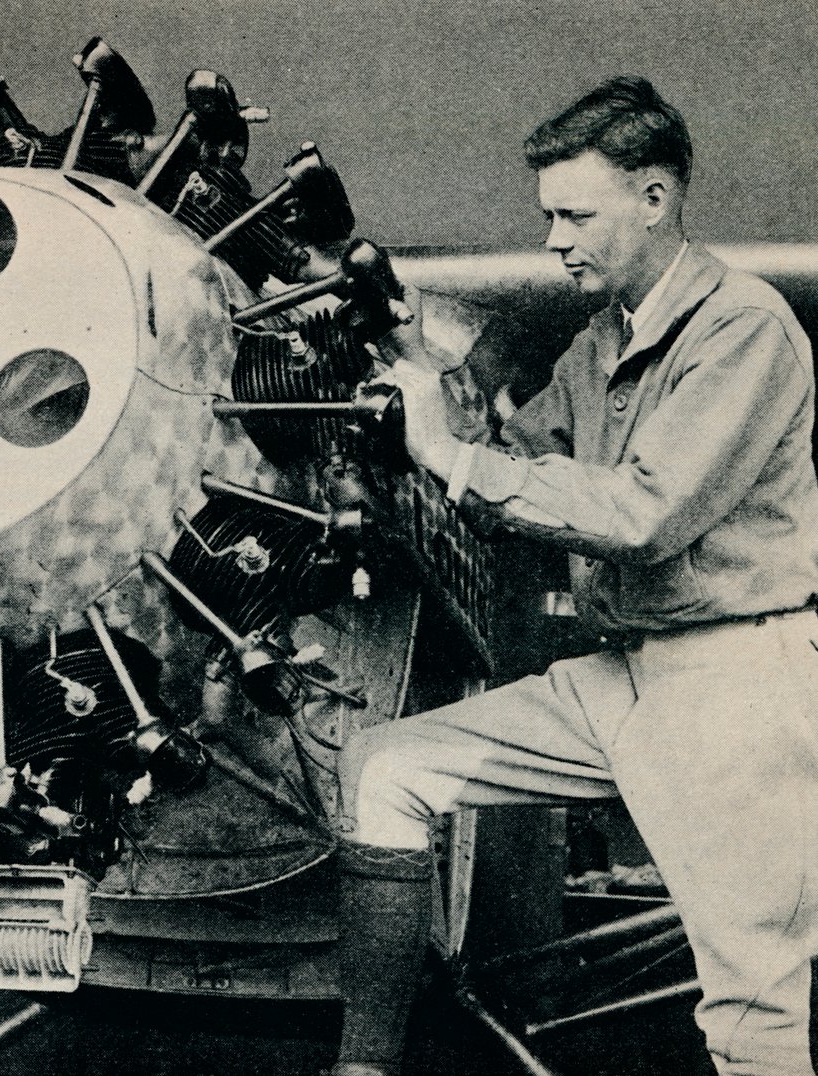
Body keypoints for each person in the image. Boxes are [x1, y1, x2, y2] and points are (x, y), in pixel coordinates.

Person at [330, 76, 818, 1076]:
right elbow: (511, 451)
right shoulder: (604, 340)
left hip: (735, 687)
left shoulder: (744, 328)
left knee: (754, 1020)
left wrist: (458, 455)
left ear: (655, 199)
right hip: (622, 677)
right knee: (384, 768)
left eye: (574, 214)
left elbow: (640, 513)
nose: (555, 239)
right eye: (548, 214)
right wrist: (415, 365)